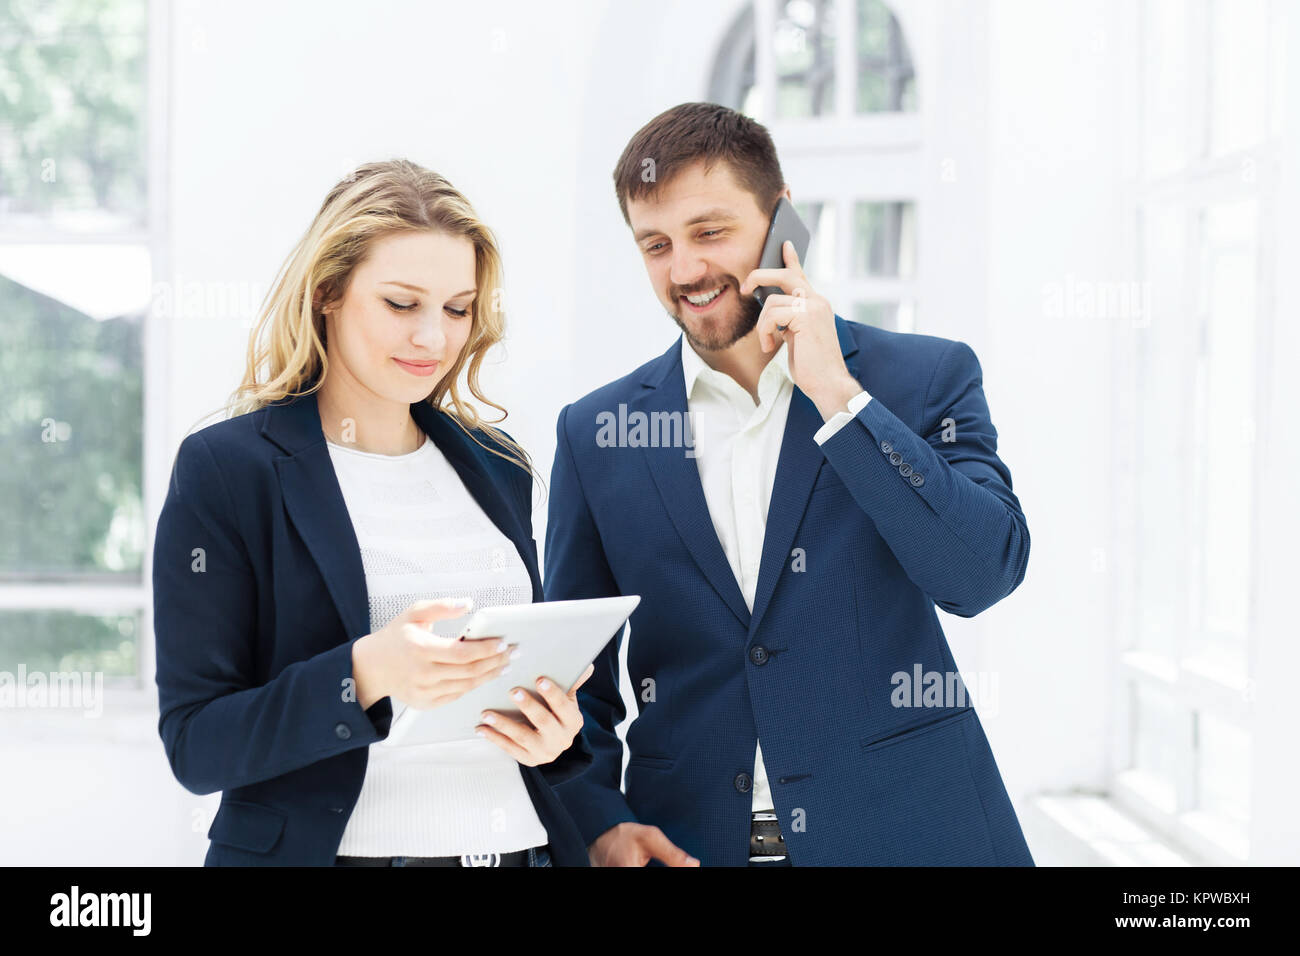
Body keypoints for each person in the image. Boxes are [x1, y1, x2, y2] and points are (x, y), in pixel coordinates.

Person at [545, 102, 1035, 866]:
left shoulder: (923, 378)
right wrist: (599, 820)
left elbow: (981, 575)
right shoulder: (596, 433)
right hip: (690, 845)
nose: (684, 271)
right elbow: (573, 672)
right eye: (655, 245)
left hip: (913, 835)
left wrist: (841, 400)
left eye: (710, 232)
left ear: (783, 225)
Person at [153, 159, 592, 867]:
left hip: (518, 851)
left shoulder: (498, 464)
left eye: (457, 309)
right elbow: (197, 744)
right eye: (400, 304)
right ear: (328, 292)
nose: (433, 339)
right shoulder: (230, 470)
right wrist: (365, 672)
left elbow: (526, 713)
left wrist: (556, 737)